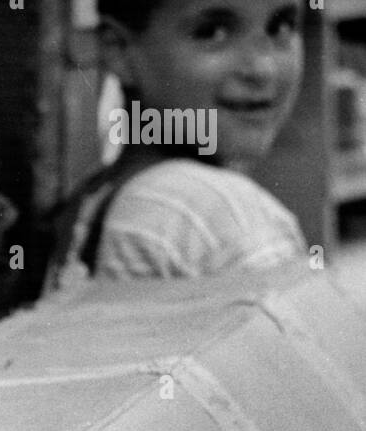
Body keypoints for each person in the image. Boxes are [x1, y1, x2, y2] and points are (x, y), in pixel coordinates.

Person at [48, 0, 308, 292]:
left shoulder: (93, 198)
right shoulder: (217, 211)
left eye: (281, 27)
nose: (263, 68)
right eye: (213, 32)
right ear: (118, 50)